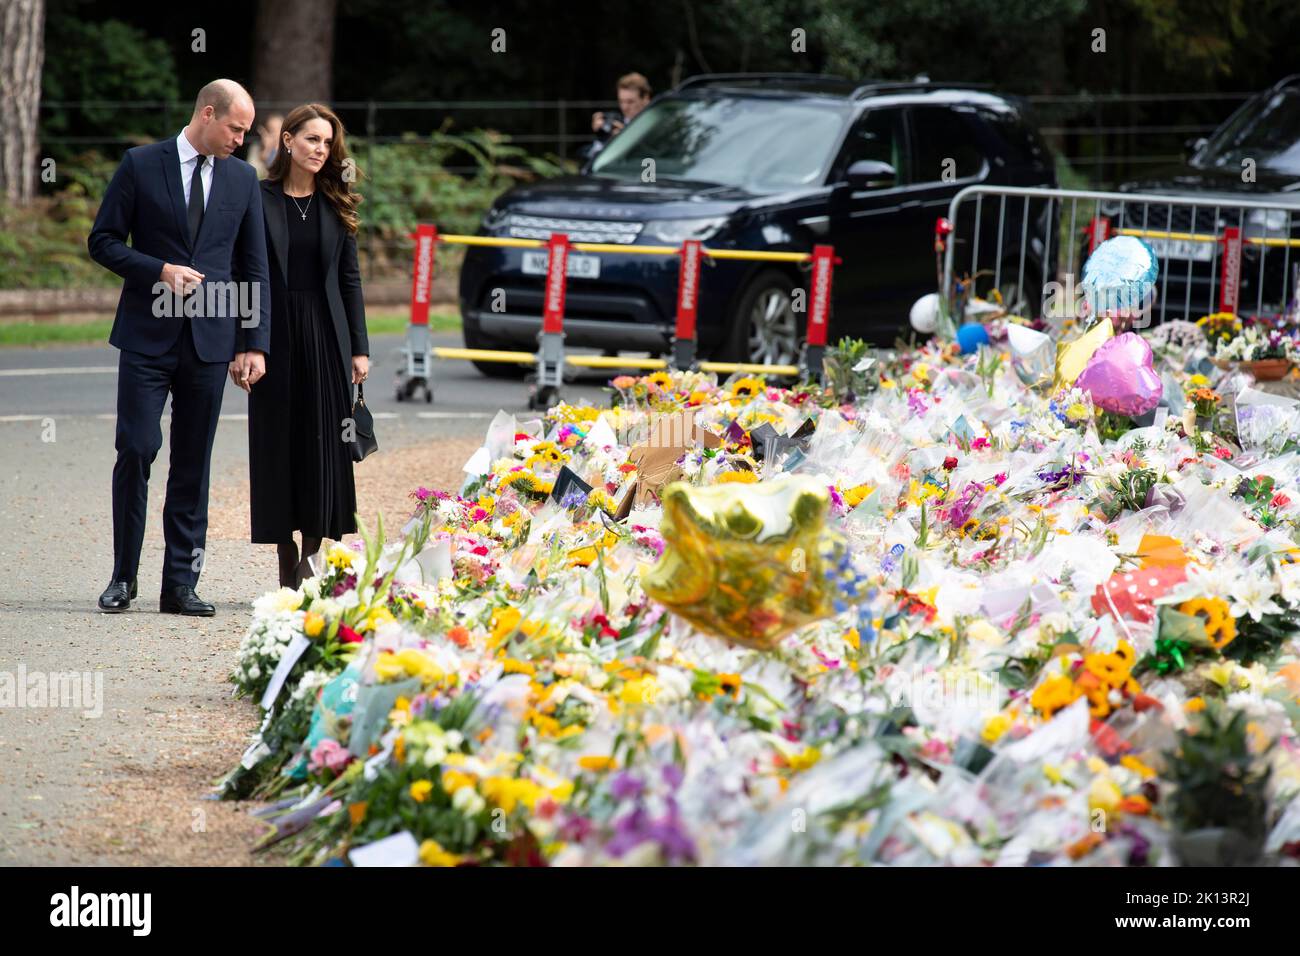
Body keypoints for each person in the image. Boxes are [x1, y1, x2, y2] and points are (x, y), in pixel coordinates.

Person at [89, 79, 270, 616]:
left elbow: (252, 266)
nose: (242, 139)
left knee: (193, 463)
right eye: (236, 128)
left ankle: (181, 585)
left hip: (211, 342)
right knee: (138, 447)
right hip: (146, 337)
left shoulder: (242, 179)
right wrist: (158, 271)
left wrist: (251, 342)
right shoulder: (141, 165)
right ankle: (123, 577)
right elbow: (102, 241)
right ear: (208, 114)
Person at [246, 103, 369, 587]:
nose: (320, 149)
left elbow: (350, 281)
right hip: (272, 335)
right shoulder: (259, 198)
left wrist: (360, 348)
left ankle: (312, 552)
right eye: (312, 139)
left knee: (324, 441)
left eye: (327, 143)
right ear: (288, 141)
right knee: (278, 441)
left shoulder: (338, 203)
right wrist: (246, 339)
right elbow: (245, 275)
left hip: (326, 334)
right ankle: (284, 550)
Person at [587, 72, 652, 159]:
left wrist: (624, 139)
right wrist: (602, 136)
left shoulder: (658, 125)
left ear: (646, 98)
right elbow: (593, 157)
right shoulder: (616, 123)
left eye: (630, 101)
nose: (624, 107)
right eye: (621, 101)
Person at [247, 113, 283, 179]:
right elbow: (253, 173)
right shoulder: (256, 148)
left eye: (278, 129)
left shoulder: (288, 149)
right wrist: (267, 150)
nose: (275, 133)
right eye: (271, 130)